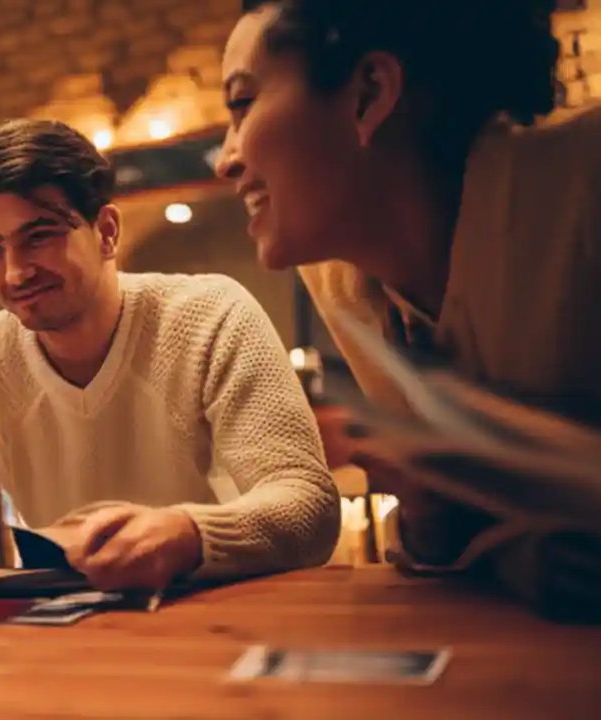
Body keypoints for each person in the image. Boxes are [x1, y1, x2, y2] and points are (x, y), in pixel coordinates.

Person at [214, 0, 601, 619]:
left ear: (368, 94)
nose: (227, 159)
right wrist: (433, 520)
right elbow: (468, 542)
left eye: (241, 105)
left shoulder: (585, 188)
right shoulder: (342, 279)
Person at [0, 119, 340, 591]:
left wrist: (189, 535)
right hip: (68, 623)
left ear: (107, 231)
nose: (15, 273)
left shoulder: (211, 315)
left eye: (39, 237)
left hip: (216, 607)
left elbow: (308, 505)